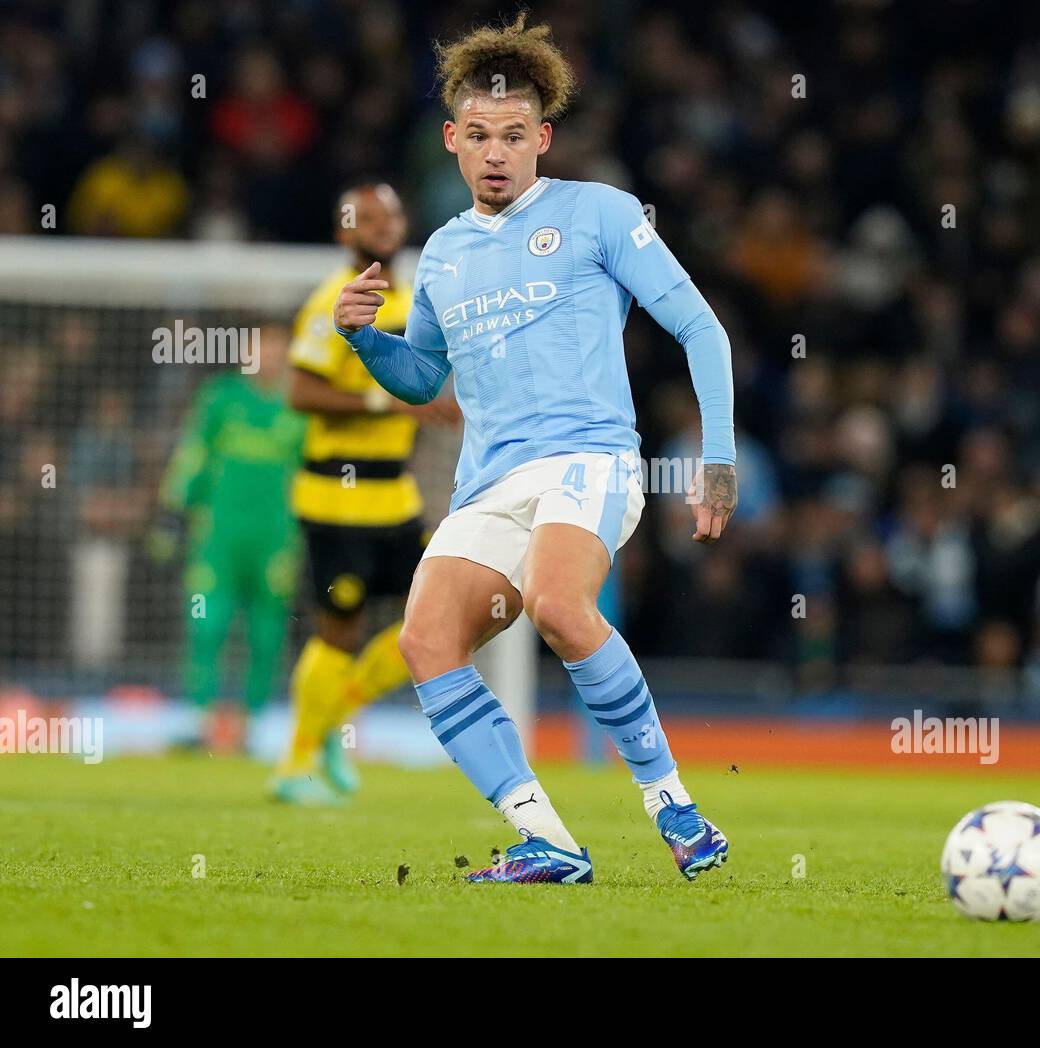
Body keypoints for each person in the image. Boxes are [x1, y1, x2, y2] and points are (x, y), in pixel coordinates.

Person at [333, 14, 737, 882]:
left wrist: (719, 458)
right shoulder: (439, 254)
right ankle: (546, 839)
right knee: (426, 640)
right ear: (451, 139)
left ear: (542, 138)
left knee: (558, 603)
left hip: (588, 459)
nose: (496, 153)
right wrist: (367, 340)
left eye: (514, 136)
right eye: (478, 135)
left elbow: (701, 329)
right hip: (490, 482)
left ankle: (674, 804)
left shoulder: (598, 213)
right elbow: (422, 378)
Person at [271, 183, 459, 805]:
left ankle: (334, 715)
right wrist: (388, 401)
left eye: (392, 214)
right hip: (336, 498)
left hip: (394, 498)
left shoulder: (410, 299)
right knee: (340, 630)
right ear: (343, 232)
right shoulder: (334, 302)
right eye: (367, 217)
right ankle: (295, 764)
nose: (383, 225)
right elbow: (300, 393)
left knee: (437, 611)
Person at [154, 326, 304, 747]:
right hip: (217, 535)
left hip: (277, 538)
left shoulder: (300, 403)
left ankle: (253, 722)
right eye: (261, 348)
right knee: (206, 622)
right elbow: (192, 453)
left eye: (277, 350)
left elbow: (315, 467)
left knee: (266, 630)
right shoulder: (220, 397)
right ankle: (196, 717)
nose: (269, 358)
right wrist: (173, 510)